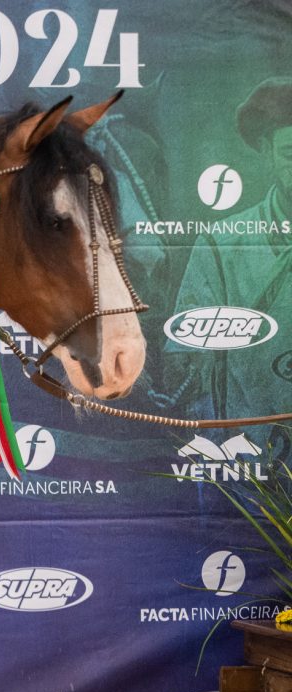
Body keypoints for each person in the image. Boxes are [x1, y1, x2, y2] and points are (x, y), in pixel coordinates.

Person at [158, 77, 292, 461]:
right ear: (266, 152)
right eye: (290, 153)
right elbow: (184, 364)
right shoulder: (221, 245)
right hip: (249, 463)